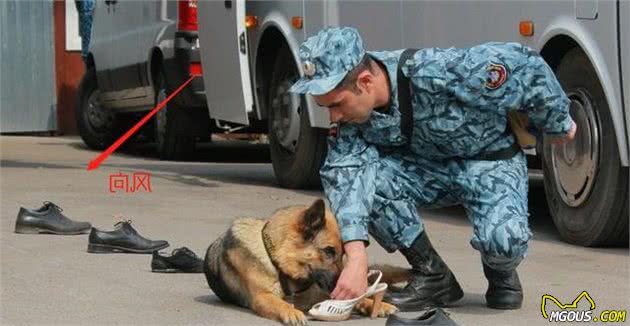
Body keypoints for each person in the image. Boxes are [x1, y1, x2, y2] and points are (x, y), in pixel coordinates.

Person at [289, 27, 576, 311]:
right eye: (326, 107)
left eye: (337, 104)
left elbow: (526, 65)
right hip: (427, 172)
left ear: (365, 81)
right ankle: (434, 275)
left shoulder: (437, 71)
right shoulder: (350, 121)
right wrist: (356, 256)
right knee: (366, 179)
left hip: (489, 163)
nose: (333, 116)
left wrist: (558, 121)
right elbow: (344, 174)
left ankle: (500, 270)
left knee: (503, 242)